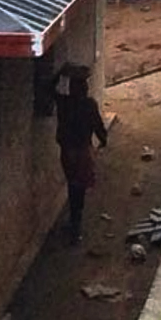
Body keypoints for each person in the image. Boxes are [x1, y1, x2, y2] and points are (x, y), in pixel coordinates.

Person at [53, 64, 110, 246]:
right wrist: (103, 139)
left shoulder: (64, 104)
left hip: (67, 152)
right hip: (82, 151)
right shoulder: (89, 105)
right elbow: (99, 126)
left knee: (73, 185)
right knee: (80, 188)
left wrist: (59, 74)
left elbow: (49, 90)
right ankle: (75, 228)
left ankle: (74, 225)